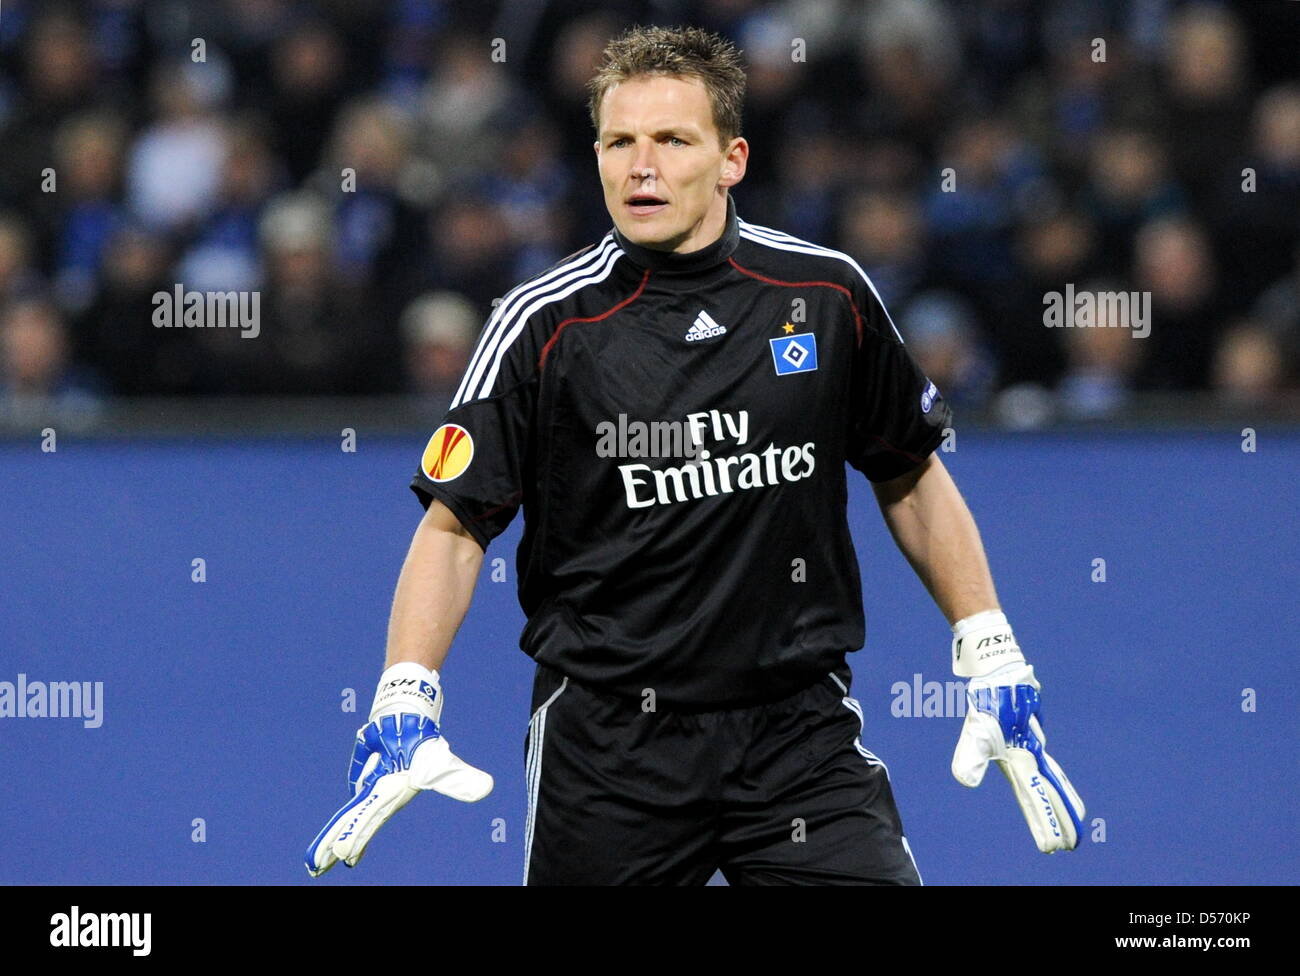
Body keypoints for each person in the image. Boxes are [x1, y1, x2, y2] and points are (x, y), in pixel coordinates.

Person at [306, 24, 1084, 885]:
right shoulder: (541, 324)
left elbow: (908, 471)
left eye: (673, 141)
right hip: (607, 753)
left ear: (732, 159)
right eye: (618, 142)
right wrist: (405, 690)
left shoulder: (825, 296)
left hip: (798, 736)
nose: (641, 166)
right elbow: (457, 528)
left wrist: (990, 646)